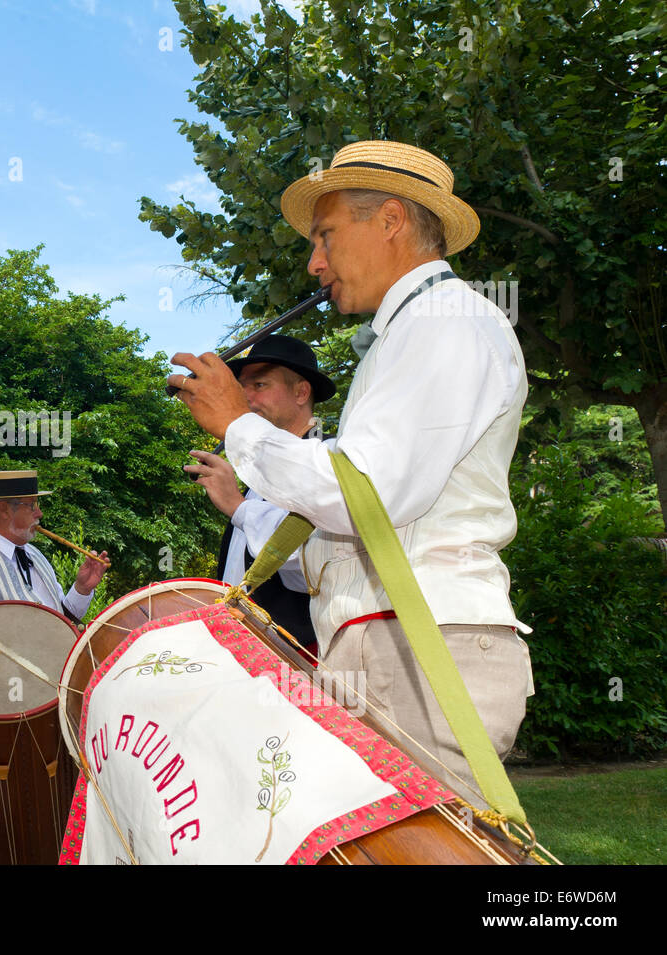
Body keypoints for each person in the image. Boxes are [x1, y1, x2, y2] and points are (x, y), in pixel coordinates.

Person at [169, 140, 533, 803]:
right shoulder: (409, 336)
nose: (315, 263)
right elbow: (346, 536)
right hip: (388, 646)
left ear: (390, 220)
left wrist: (237, 425)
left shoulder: (445, 323)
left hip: (419, 648)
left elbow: (366, 492)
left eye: (326, 236)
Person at [185, 336, 335, 656]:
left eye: (260, 385)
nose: (246, 399)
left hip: (302, 661)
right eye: (242, 388)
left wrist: (238, 507)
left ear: (301, 391)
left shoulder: (327, 460)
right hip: (242, 655)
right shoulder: (259, 474)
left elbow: (309, 562)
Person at [0, 470, 107, 620]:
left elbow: (60, 622)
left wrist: (82, 589)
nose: (39, 513)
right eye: (31, 505)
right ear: (4, 509)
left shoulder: (35, 555)